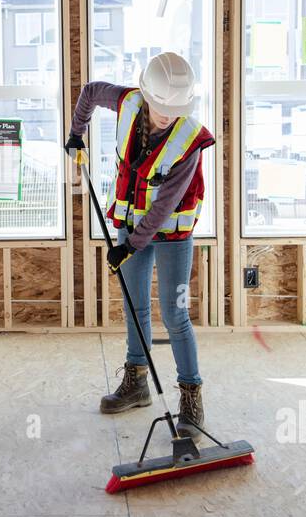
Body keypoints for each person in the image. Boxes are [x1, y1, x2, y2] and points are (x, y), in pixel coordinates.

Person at [65, 52, 215, 438]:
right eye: (161, 106)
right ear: (147, 93)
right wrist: (76, 132)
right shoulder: (129, 102)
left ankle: (191, 397)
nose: (167, 115)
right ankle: (137, 384)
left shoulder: (189, 140)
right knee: (134, 307)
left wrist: (129, 245)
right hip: (131, 228)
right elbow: (90, 92)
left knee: (175, 313)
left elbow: (164, 204)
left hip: (172, 235)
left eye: (175, 108)